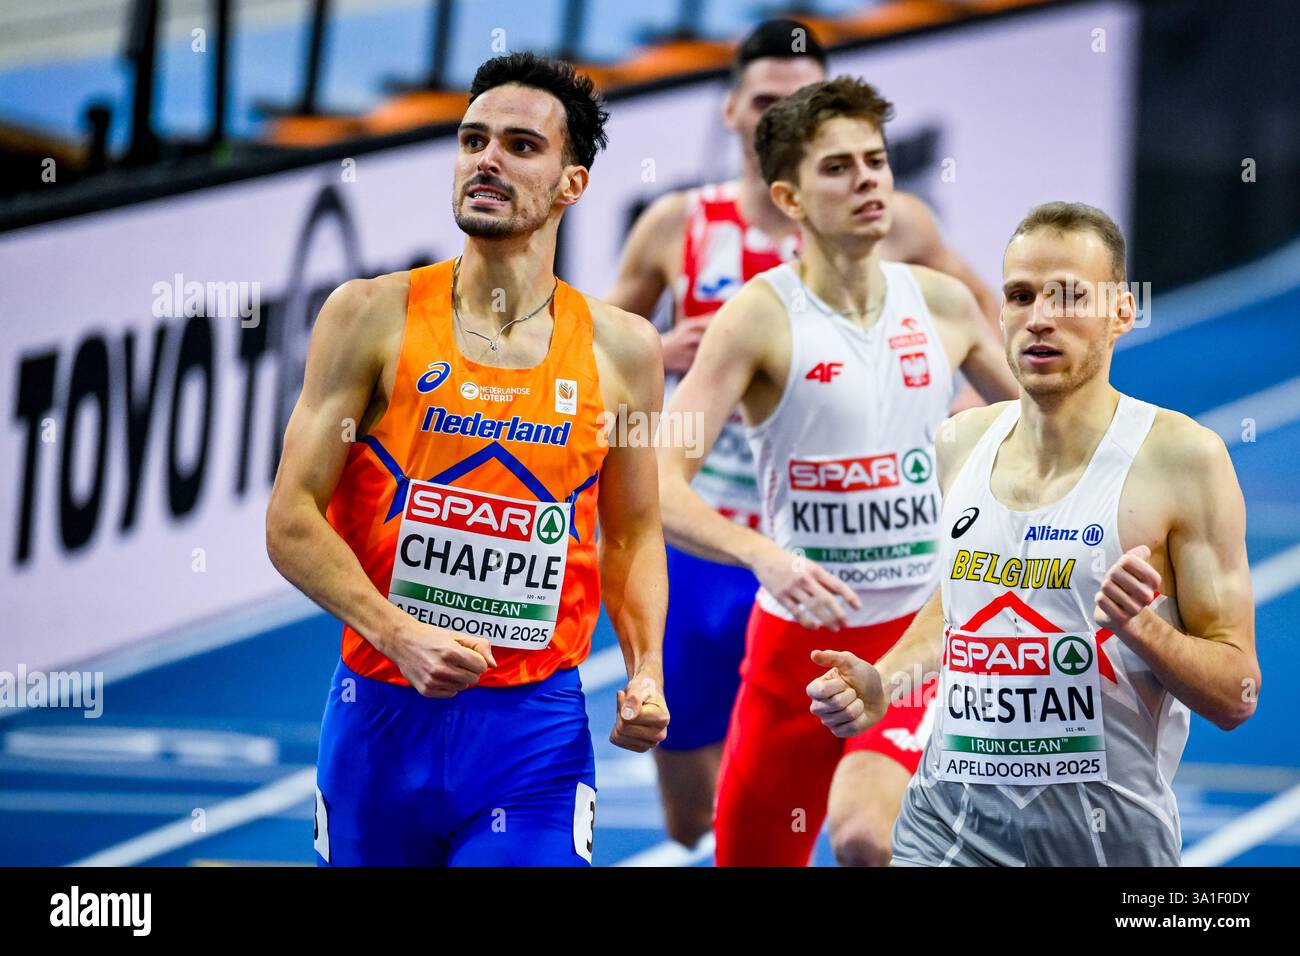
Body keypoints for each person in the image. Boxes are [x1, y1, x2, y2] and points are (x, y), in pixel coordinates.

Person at [607, 17, 1002, 849]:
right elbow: (631, 424)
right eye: (837, 166)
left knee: (866, 839)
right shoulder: (719, 271)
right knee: (696, 828)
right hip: (755, 589)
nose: (868, 182)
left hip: (913, 622)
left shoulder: (933, 283)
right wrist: (652, 357)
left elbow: (1041, 413)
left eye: (877, 161)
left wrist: (968, 429)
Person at [266, 52, 670, 867]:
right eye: (471, 139)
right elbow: (290, 520)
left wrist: (647, 669)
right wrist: (399, 634)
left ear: (571, 185)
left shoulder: (624, 350)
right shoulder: (370, 316)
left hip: (533, 736)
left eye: (521, 145)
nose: (485, 159)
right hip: (379, 720)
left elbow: (631, 533)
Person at [807, 201, 1261, 866]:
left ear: (1121, 313)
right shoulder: (960, 442)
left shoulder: (1182, 459)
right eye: (1020, 295)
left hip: (1106, 845)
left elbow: (1237, 695)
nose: (1039, 317)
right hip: (945, 836)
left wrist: (1145, 630)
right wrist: (885, 683)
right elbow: (955, 612)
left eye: (1069, 295)